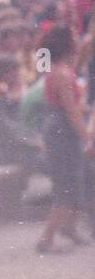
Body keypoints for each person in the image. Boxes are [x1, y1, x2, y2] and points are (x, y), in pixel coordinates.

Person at [35, 25, 92, 253]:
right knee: (66, 183)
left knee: (76, 176)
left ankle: (69, 226)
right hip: (62, 130)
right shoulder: (63, 74)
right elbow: (71, 110)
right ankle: (46, 238)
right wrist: (86, 136)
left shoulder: (58, 70)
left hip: (59, 127)